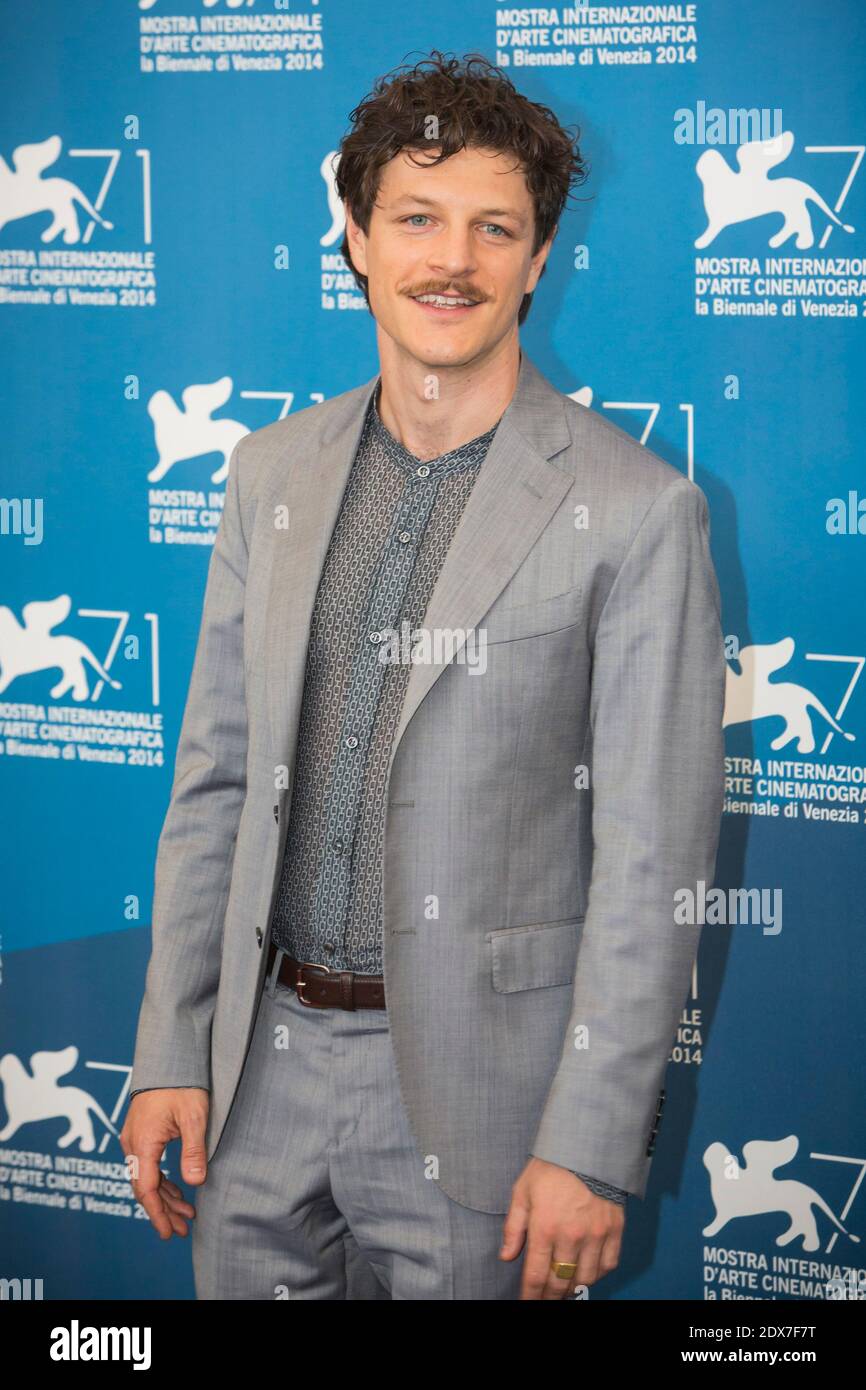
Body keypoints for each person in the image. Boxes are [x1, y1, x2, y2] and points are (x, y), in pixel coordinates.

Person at [121, 50, 726, 1301]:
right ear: (352, 235)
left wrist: (588, 1142)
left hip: (485, 1107)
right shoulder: (267, 474)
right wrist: (171, 1044)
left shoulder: (635, 511)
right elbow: (213, 787)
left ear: (537, 256)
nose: (451, 260)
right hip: (253, 1079)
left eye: (492, 227)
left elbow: (653, 860)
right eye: (415, 218)